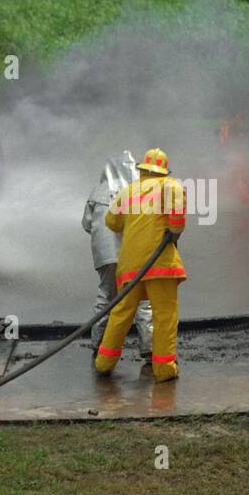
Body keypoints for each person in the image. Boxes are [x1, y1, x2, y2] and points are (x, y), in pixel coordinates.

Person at [94, 148, 186, 382]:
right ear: (163, 171)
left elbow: (111, 222)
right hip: (161, 264)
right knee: (164, 315)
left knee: (121, 314)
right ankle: (164, 369)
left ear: (142, 170)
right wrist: (173, 232)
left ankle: (103, 363)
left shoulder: (127, 192)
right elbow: (177, 218)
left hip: (129, 266)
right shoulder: (171, 186)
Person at [83, 151, 153, 361]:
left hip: (104, 256)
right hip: (131, 254)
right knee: (142, 298)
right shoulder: (134, 192)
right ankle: (149, 348)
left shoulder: (97, 192)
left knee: (106, 297)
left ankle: (99, 346)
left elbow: (87, 224)